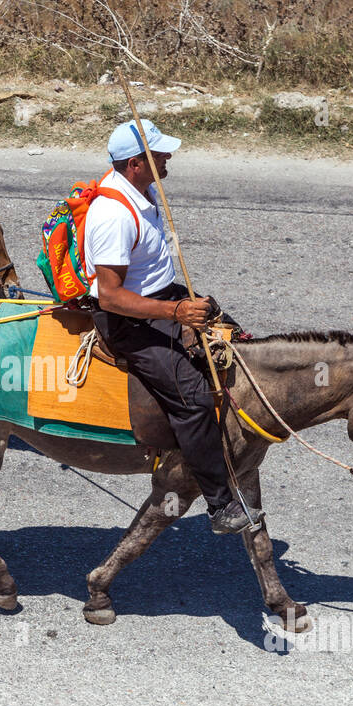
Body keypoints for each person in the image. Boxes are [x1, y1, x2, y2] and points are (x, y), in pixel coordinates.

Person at [85, 120, 262, 533]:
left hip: (162, 295)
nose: (168, 158)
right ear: (134, 164)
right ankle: (220, 506)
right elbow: (109, 296)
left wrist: (182, 301)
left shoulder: (144, 190)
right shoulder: (113, 214)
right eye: (159, 154)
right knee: (195, 400)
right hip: (128, 322)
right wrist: (176, 313)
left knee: (231, 334)